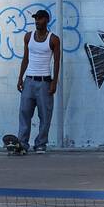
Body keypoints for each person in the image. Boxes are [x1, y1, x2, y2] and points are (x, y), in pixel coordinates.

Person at [15, 8, 61, 152]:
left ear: (47, 20)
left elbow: (57, 62)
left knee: (45, 115)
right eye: (36, 18)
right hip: (29, 80)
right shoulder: (28, 37)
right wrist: (20, 78)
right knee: (24, 112)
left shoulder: (53, 39)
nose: (37, 21)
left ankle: (40, 143)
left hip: (44, 81)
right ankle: (22, 143)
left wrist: (54, 82)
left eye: (40, 18)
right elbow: (26, 58)